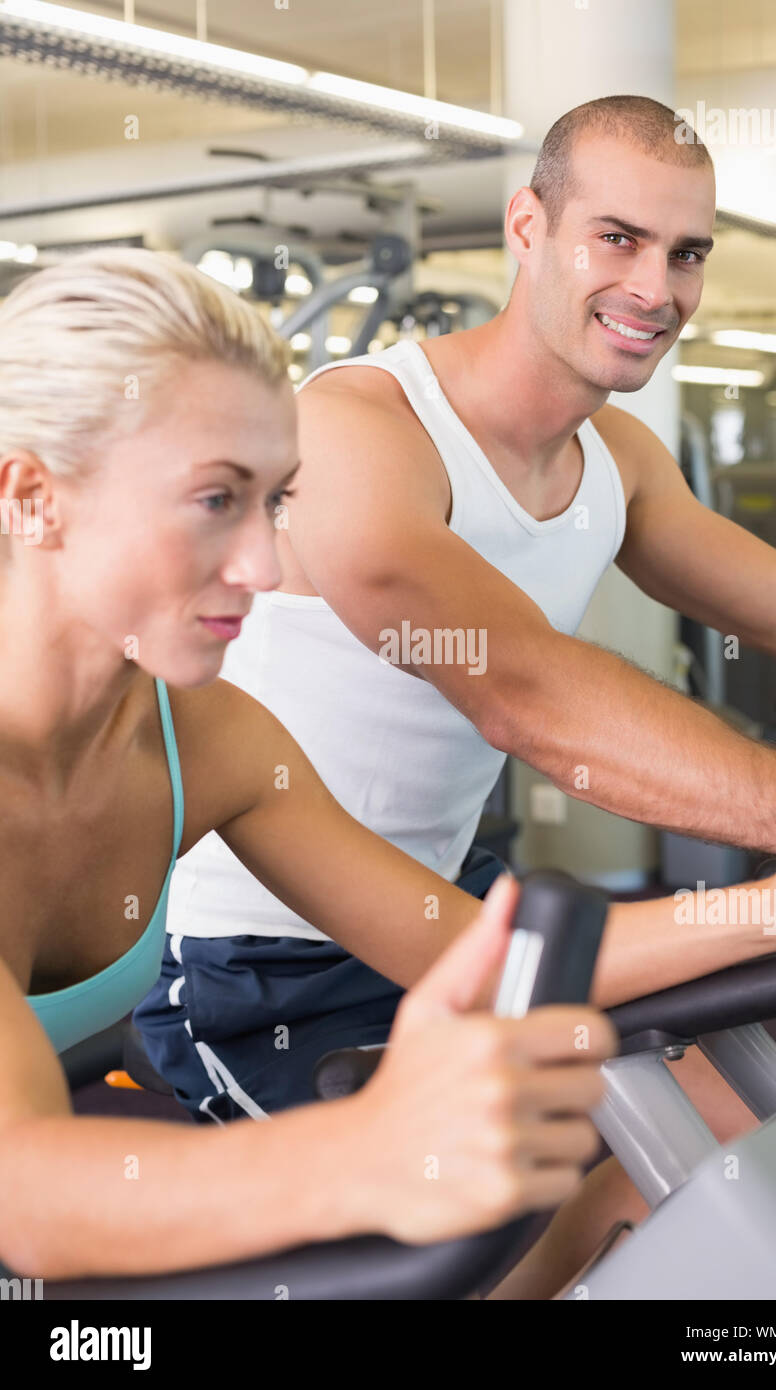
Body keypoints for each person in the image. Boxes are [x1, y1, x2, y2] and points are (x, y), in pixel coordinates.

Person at [139, 94, 776, 1128]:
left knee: (731, 1119)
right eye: (616, 239)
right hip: (269, 966)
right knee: (521, 1214)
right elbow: (520, 692)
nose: (653, 288)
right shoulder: (357, 431)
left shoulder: (617, 462)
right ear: (528, 227)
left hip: (462, 908)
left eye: (684, 253)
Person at [0, 249, 616, 1284]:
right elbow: (21, 1190)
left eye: (273, 503)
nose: (264, 567)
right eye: (212, 500)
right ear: (34, 496)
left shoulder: (205, 734)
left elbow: (446, 939)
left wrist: (772, 913)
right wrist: (368, 1152)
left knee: (611, 1201)